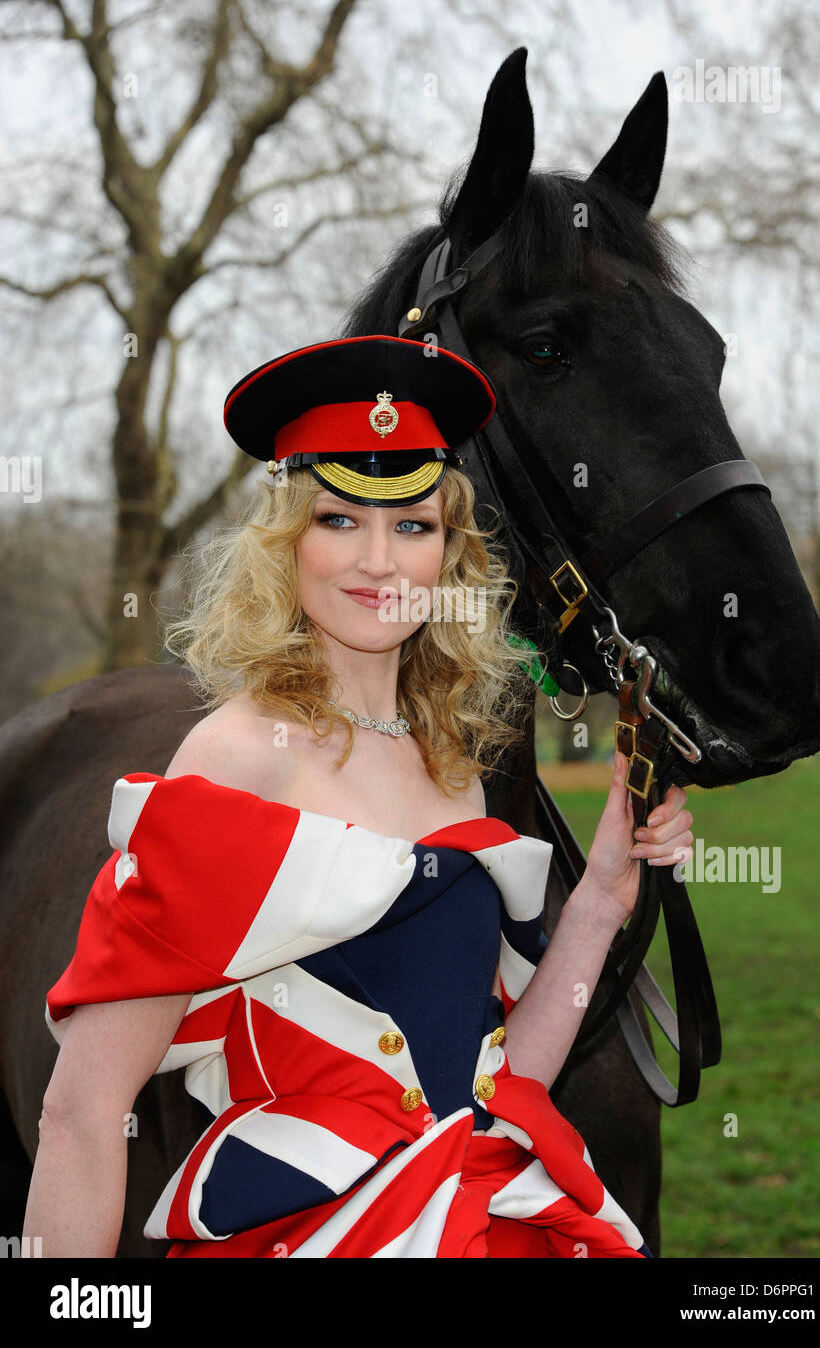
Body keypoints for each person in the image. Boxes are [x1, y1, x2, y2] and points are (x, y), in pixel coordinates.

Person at [25, 334, 694, 1259]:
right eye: (340, 520)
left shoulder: (449, 760)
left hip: (484, 1220)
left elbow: (488, 1085)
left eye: (413, 527)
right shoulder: (235, 757)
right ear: (285, 541)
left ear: (448, 556)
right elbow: (82, 1107)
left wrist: (601, 897)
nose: (378, 562)